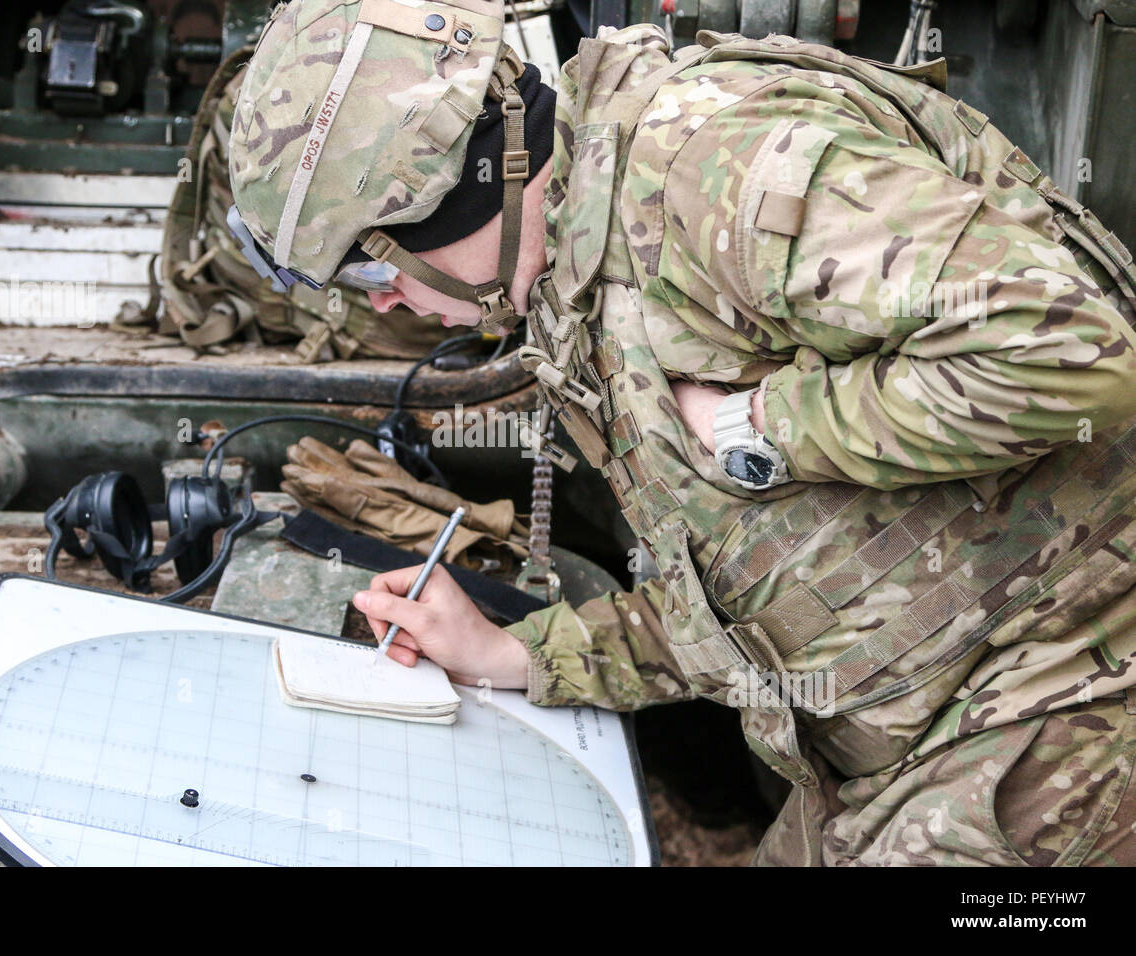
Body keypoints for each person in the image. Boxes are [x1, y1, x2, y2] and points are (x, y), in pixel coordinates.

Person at [228, 0, 1136, 865]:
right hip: (915, 742)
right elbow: (757, 597)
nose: (384, 300)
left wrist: (760, 427)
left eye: (366, 268)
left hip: (1065, 707)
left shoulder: (717, 164)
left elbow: (1072, 356)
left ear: (434, 199)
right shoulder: (585, 267)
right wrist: (520, 654)